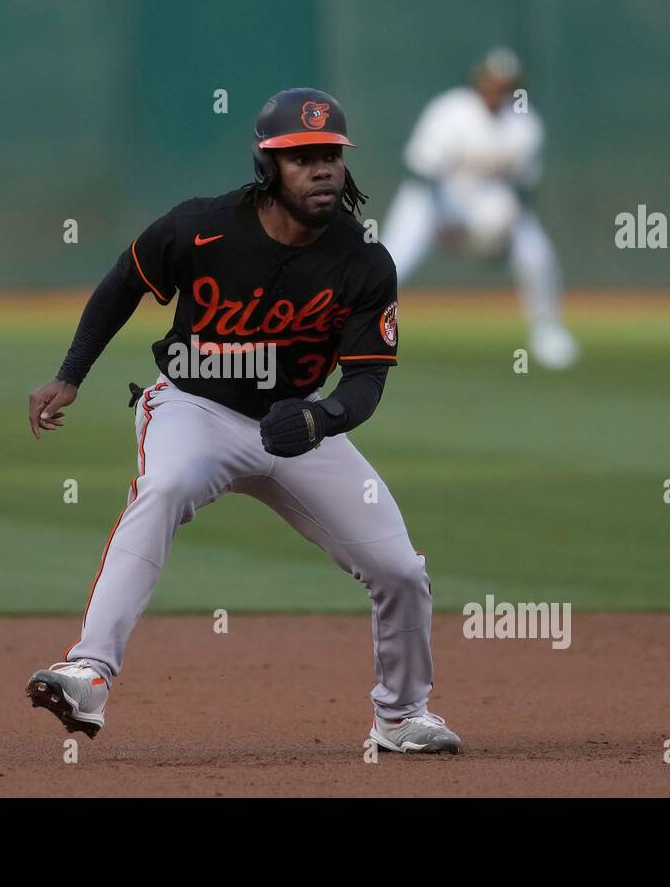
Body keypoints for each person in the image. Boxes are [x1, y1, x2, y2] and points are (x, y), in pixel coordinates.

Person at [23, 88, 461, 754]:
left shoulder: (365, 260)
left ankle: (401, 717)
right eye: (301, 157)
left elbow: (368, 378)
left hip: (296, 426)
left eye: (331, 156)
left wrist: (322, 419)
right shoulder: (201, 228)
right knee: (163, 489)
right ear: (267, 166)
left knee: (400, 569)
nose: (321, 169)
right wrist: (70, 373)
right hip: (194, 409)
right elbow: (124, 282)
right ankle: (88, 672)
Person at [381, 47, 580, 369]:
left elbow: (523, 187)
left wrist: (500, 235)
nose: (497, 88)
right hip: (430, 196)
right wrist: (442, 220)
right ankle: (360, 330)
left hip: (486, 199)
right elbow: (424, 171)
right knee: (391, 261)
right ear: (479, 80)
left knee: (536, 253)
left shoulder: (525, 124)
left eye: (505, 83)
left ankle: (547, 331)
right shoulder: (450, 109)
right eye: (492, 80)